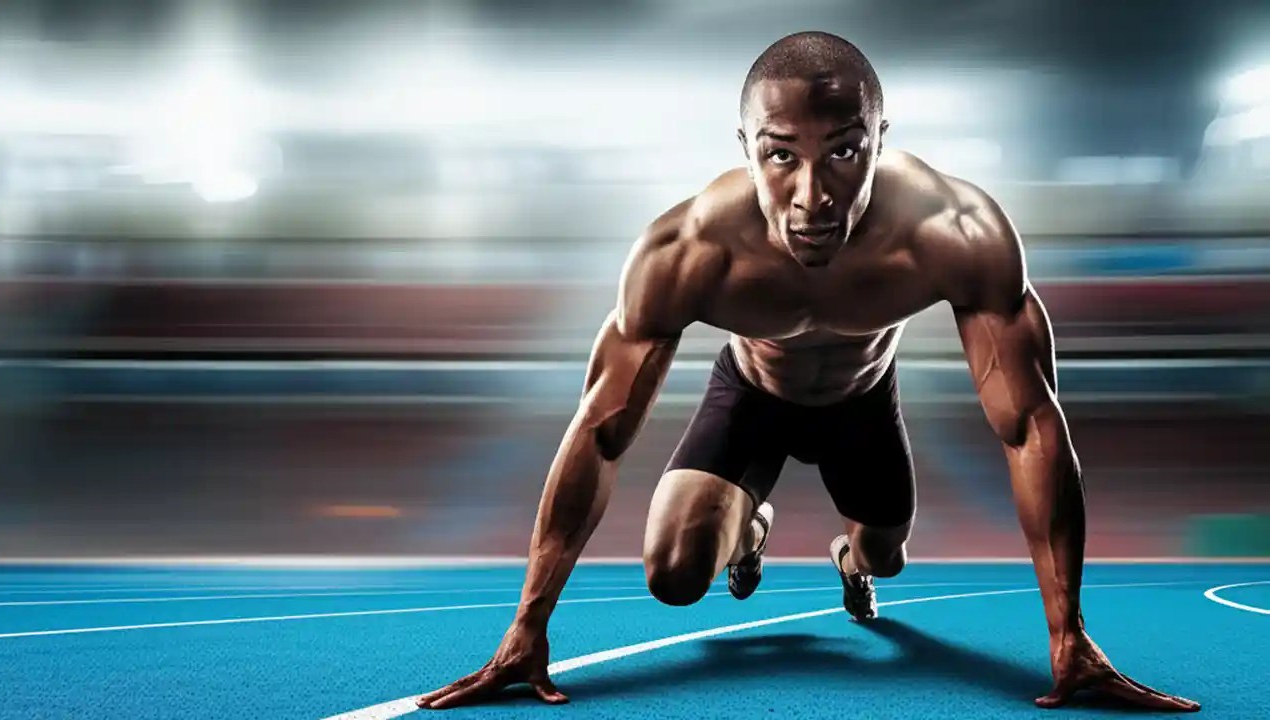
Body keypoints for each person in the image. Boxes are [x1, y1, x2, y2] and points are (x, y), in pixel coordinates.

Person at [417, 31, 1199, 712]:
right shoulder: (687, 251)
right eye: (780, 156)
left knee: (885, 556)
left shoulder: (954, 231)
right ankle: (749, 531)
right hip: (752, 394)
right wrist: (527, 626)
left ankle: (846, 559)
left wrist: (1069, 637)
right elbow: (601, 431)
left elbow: (1032, 424)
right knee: (673, 573)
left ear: (881, 139)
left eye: (845, 153)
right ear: (745, 145)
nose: (812, 196)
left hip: (863, 403)